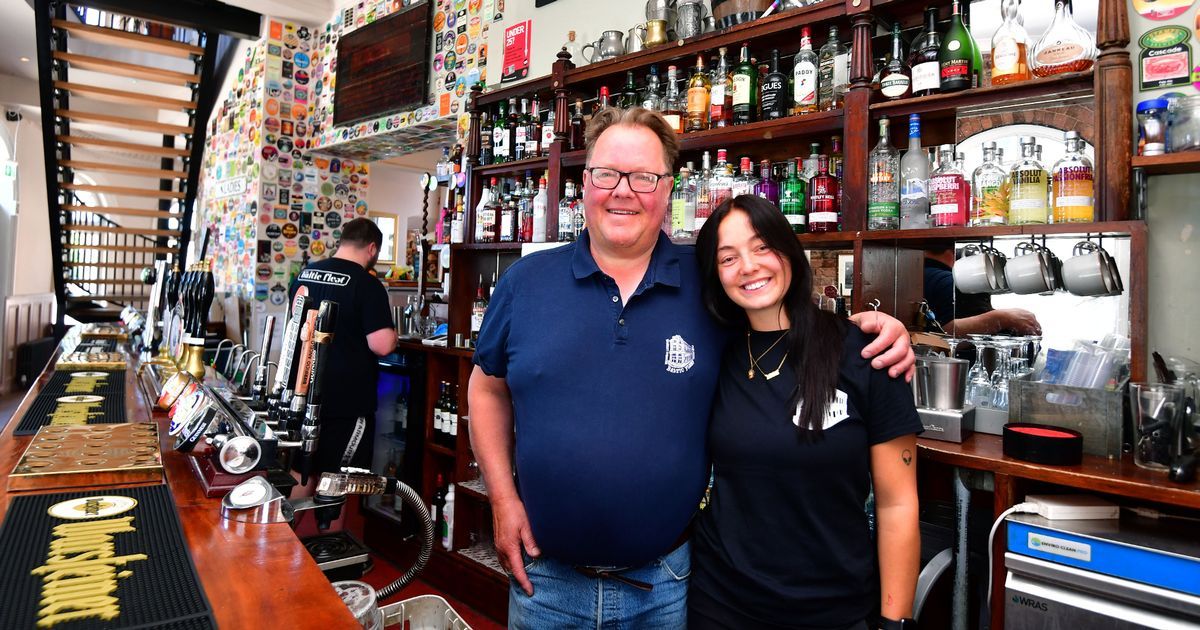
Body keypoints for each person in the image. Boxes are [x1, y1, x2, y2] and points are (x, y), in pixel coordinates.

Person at [469, 106, 916, 628]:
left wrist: (879, 328)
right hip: (545, 580)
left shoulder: (708, 287)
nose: (623, 190)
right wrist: (502, 497)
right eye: (607, 173)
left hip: (668, 587)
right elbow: (486, 389)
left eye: (644, 177)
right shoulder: (524, 282)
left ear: (668, 188)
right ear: (584, 181)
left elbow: (777, 311)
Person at [690, 195, 923, 629]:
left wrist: (895, 622)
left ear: (789, 250)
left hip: (835, 608)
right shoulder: (712, 355)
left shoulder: (868, 354)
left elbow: (897, 504)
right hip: (721, 605)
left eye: (762, 247)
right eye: (728, 257)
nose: (748, 266)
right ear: (715, 275)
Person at [288, 218, 396, 478]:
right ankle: (331, 521)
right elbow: (381, 345)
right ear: (372, 248)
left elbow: (296, 324)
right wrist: (395, 337)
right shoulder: (367, 284)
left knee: (301, 472)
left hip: (301, 393)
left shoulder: (304, 275)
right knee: (338, 483)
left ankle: (284, 520)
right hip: (346, 402)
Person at [923, 246, 1041, 336]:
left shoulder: (915, 274)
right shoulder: (951, 281)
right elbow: (945, 333)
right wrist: (1003, 318)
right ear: (952, 251)